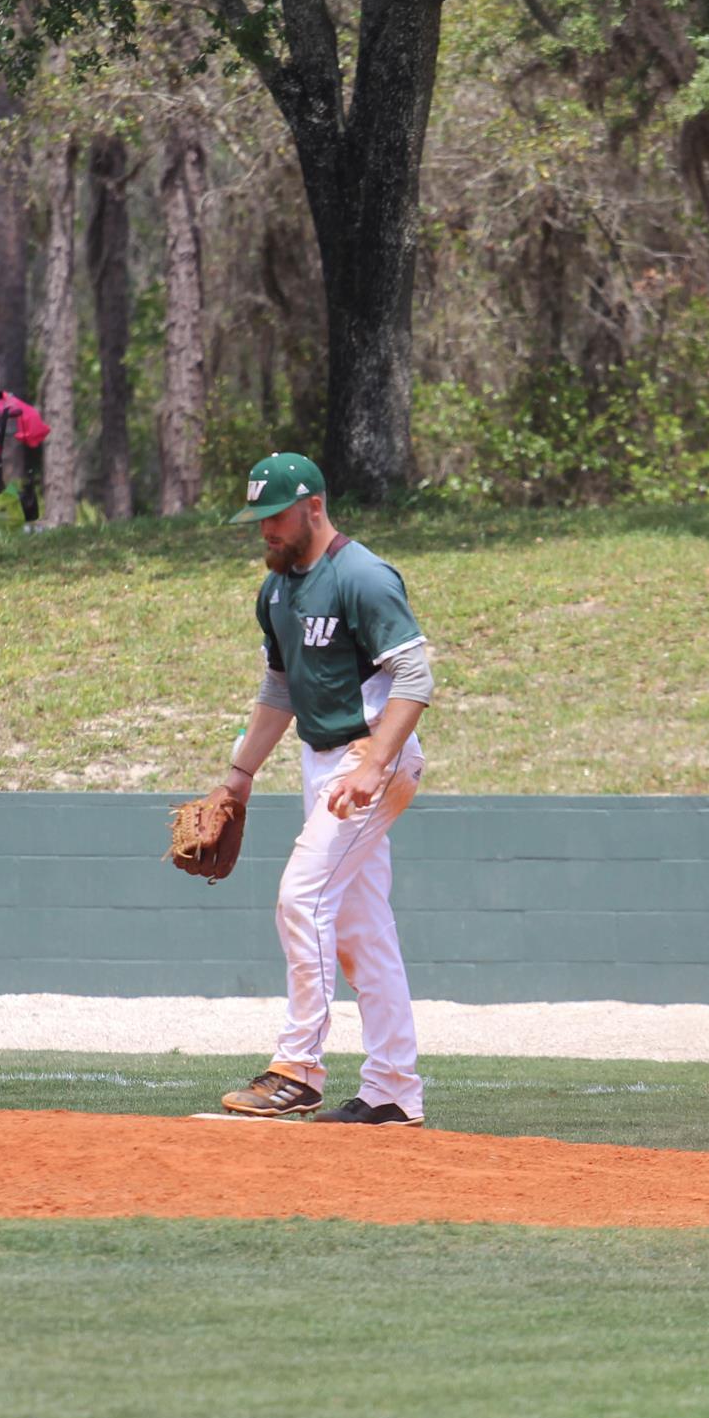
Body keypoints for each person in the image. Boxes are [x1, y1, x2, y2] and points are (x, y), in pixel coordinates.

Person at [213, 453, 434, 1126]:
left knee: (302, 896)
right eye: (258, 519)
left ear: (314, 506)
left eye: (276, 516)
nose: (265, 530)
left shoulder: (362, 576)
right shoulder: (276, 590)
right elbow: (279, 689)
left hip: (371, 756)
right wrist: (240, 775)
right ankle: (393, 1089)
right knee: (363, 932)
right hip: (325, 765)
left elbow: (415, 678)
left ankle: (297, 1070)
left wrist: (373, 766)